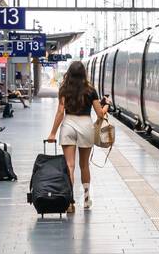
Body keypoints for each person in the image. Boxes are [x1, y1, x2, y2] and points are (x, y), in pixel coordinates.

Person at [45, 60, 110, 213]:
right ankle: (87, 200)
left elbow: (60, 112)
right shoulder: (91, 90)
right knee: (84, 165)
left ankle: (69, 202)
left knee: (70, 165)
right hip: (86, 126)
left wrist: (53, 132)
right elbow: (100, 114)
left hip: (68, 125)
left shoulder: (64, 89)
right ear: (84, 73)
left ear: (69, 73)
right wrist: (107, 104)